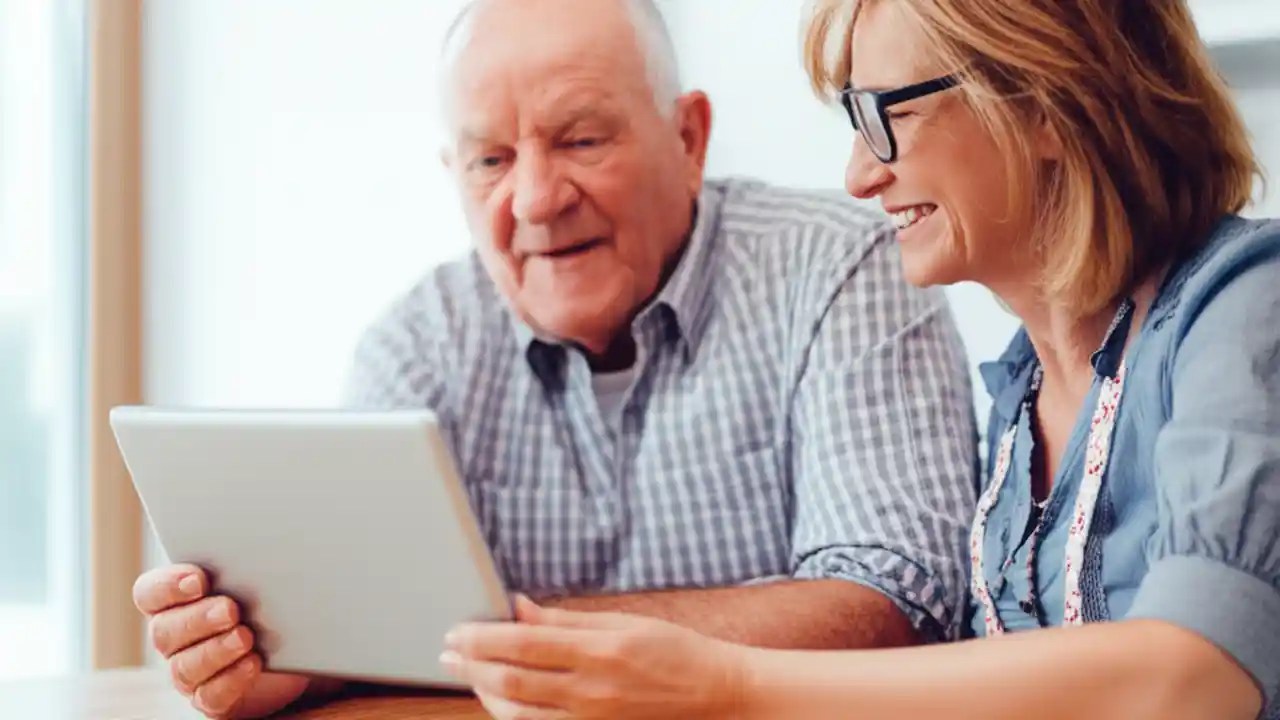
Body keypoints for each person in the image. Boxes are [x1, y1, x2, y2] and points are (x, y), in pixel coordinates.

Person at [129, 0, 979, 717]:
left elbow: (899, 602)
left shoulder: (841, 266)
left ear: (689, 138)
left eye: (580, 141)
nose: (535, 200)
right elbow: (360, 627)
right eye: (491, 160)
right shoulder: (416, 344)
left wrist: (463, 636)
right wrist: (284, 652)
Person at [441, 0, 1280, 718]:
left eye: (889, 115)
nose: (858, 175)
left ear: (1048, 106)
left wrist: (727, 684)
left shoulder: (1248, 304)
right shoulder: (1025, 386)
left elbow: (1193, 676)